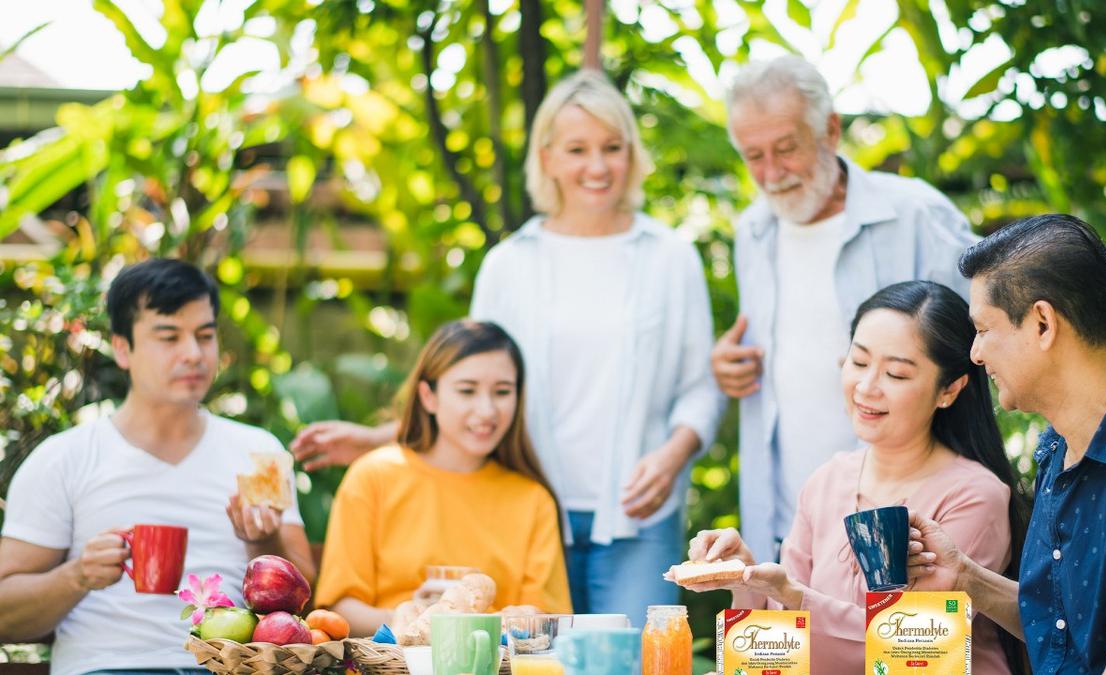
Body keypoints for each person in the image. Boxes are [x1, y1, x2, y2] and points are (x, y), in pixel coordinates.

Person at [296, 70, 721, 625]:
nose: (597, 166)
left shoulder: (670, 257)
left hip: (638, 521)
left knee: (631, 662)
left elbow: (701, 385)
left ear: (632, 154)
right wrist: (385, 438)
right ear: (547, 158)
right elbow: (470, 383)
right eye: (577, 149)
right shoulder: (510, 264)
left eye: (612, 148)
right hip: (518, 511)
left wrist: (671, 458)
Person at [708, 54, 979, 563]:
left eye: (786, 149)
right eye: (753, 156)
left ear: (830, 131)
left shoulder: (916, 214)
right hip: (784, 516)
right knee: (785, 641)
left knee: (895, 644)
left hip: (906, 513)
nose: (771, 174)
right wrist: (727, 364)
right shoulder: (753, 230)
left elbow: (985, 339)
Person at [679, 281, 1028, 674]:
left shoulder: (974, 495)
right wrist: (744, 578)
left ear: (949, 390)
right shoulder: (827, 481)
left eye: (895, 374)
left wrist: (792, 594)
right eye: (859, 363)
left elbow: (914, 653)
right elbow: (779, 652)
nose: (865, 387)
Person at [907, 214, 1106, 673]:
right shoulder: (1059, 444)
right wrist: (964, 577)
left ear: (1043, 323)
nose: (976, 353)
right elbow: (1065, 623)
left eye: (984, 330)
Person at [0, 258, 314, 675]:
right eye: (169, 336)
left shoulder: (256, 452)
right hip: (108, 668)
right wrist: (77, 576)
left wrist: (262, 541)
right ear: (122, 348)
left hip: (229, 669)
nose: (193, 354)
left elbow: (302, 596)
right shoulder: (64, 458)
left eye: (205, 336)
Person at [314, 320, 572, 637]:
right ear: (428, 396)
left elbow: (545, 620)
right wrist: (420, 622)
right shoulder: (373, 477)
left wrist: (464, 628)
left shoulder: (533, 500)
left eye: (503, 392)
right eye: (467, 390)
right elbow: (340, 609)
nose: (487, 410)